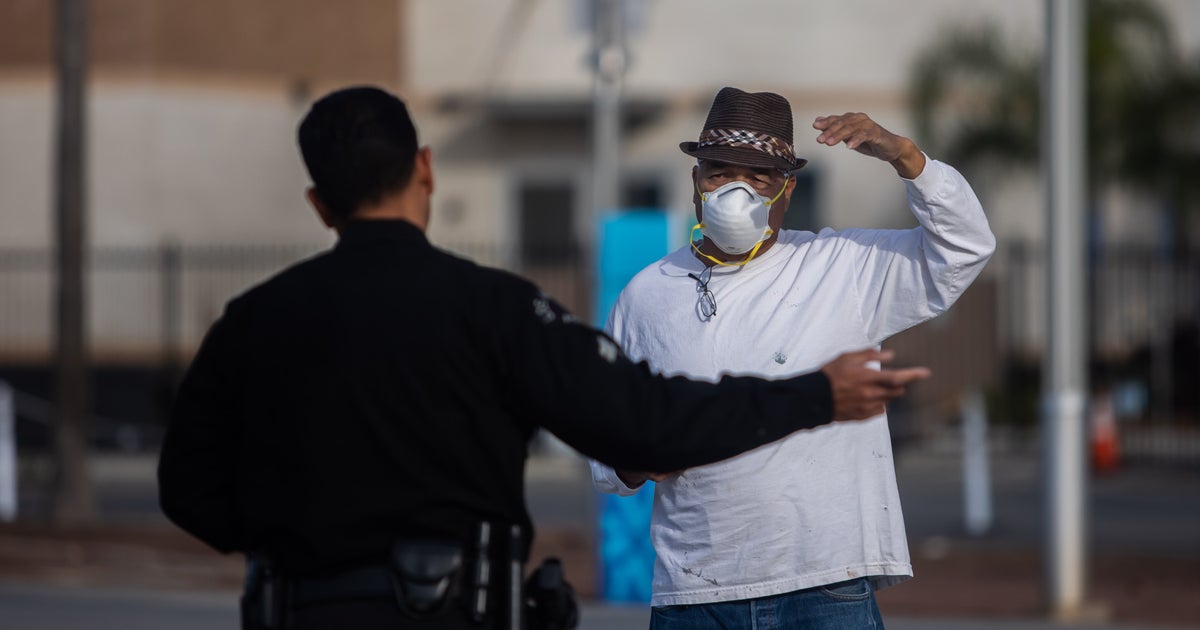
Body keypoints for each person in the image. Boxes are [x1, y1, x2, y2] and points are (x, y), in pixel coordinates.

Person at [156, 85, 931, 630]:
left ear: (319, 205)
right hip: (458, 605)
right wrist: (814, 398)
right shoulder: (497, 310)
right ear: (425, 170)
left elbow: (187, 487)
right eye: (717, 171)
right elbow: (643, 425)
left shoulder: (255, 320)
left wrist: (296, 546)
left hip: (308, 604)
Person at [590, 87, 996, 629]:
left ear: (786, 191)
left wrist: (906, 157)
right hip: (695, 592)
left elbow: (964, 247)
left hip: (825, 586)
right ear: (695, 182)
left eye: (758, 178)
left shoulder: (842, 266)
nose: (736, 192)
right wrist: (637, 459)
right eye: (718, 173)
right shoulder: (646, 294)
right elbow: (600, 436)